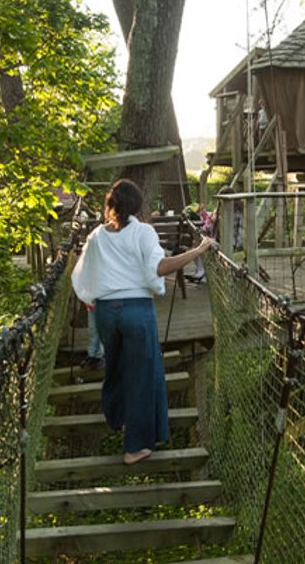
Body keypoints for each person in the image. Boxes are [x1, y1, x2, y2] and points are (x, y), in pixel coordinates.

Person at [71, 179, 215, 465]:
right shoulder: (144, 232)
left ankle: (121, 419)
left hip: (106, 312)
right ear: (138, 204)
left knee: (116, 366)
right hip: (136, 310)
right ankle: (135, 447)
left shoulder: (97, 235)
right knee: (143, 374)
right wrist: (199, 251)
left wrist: (93, 297)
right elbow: (159, 268)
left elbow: (82, 270)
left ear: (111, 205)